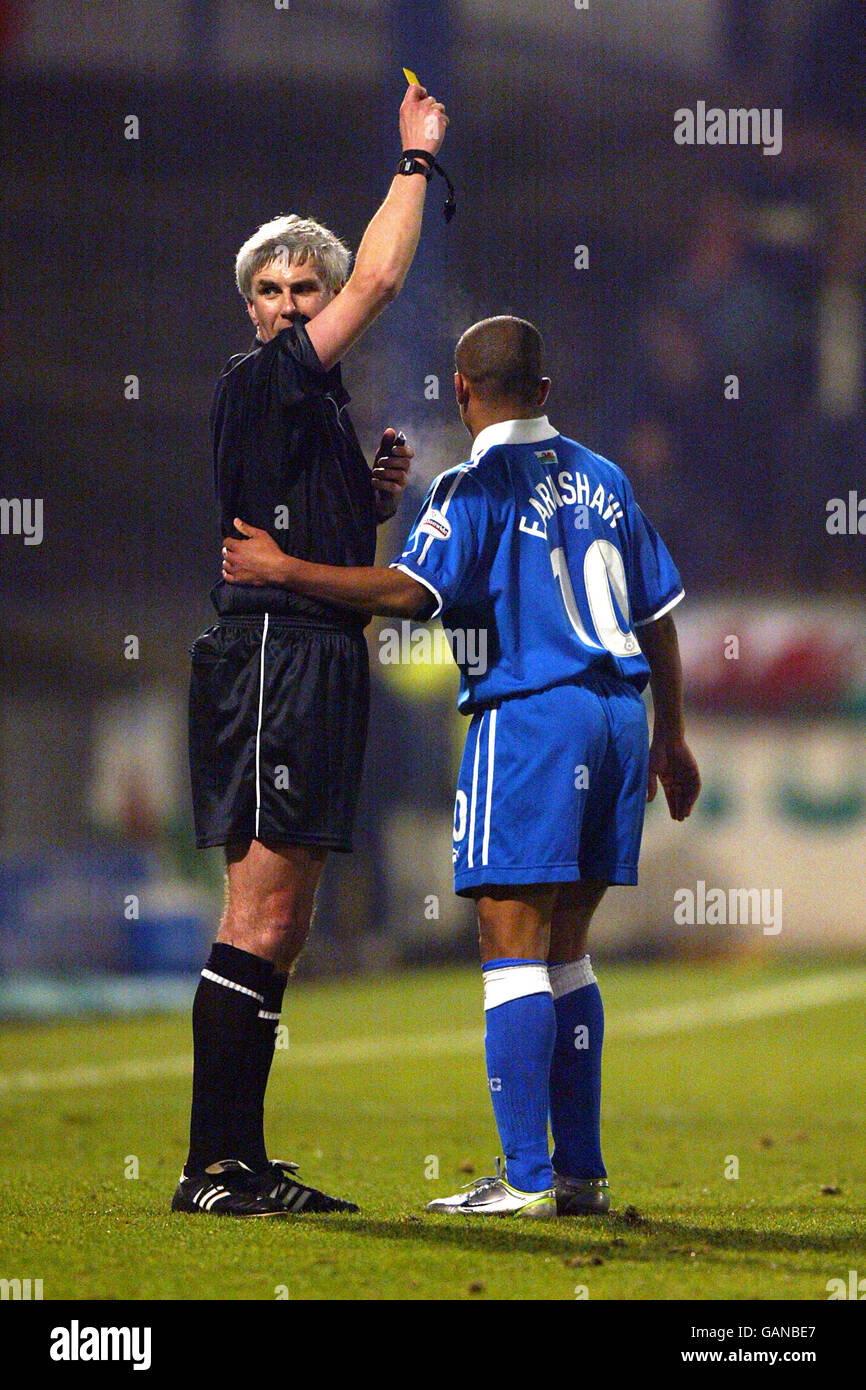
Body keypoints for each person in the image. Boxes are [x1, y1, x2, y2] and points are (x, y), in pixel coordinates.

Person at [221, 315, 702, 1219]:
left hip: (533, 718)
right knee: (567, 951)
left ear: (460, 390)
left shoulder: (473, 482)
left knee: (510, 947)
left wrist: (284, 567)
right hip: (617, 717)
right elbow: (660, 613)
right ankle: (579, 1173)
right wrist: (671, 737)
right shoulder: (605, 477)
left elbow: (409, 592)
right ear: (546, 391)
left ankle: (524, 1177)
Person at [175, 81, 450, 1218]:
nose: (289, 306)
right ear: (250, 310)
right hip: (275, 660)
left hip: (314, 658)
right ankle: (214, 1168)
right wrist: (416, 161)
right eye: (271, 291)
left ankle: (237, 1158)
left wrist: (363, 502)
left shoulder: (315, 409)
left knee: (284, 924)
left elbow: (302, 530)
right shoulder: (263, 378)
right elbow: (386, 274)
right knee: (261, 915)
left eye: (305, 289)